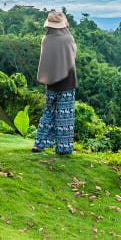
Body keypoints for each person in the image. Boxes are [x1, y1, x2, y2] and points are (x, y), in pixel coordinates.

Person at [32, 11, 77, 155]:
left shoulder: (46, 39)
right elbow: (72, 56)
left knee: (48, 112)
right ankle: (63, 149)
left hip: (50, 82)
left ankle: (39, 144)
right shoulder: (68, 39)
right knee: (64, 115)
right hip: (66, 83)